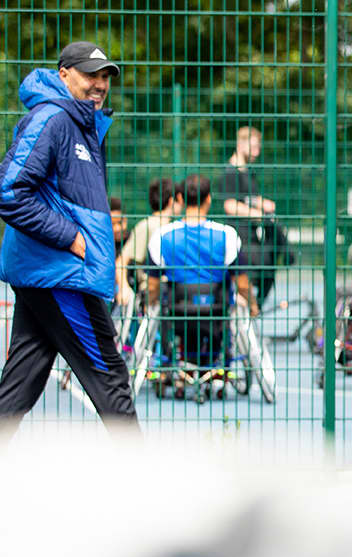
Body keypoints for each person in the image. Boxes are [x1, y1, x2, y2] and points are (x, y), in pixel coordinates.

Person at [0, 40, 137, 438]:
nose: (99, 84)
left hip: (49, 274)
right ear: (64, 74)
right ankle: (147, 484)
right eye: (90, 74)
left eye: (105, 76)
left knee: (18, 387)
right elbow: (8, 191)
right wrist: (71, 237)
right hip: (62, 274)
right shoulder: (52, 119)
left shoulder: (83, 124)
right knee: (111, 380)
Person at [145, 175, 257, 394]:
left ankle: (175, 369)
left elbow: (152, 286)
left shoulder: (162, 236)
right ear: (209, 199)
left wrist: (151, 302)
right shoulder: (226, 235)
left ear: (180, 197)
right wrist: (252, 305)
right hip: (215, 312)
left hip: (177, 313)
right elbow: (242, 283)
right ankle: (215, 368)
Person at [214, 126, 288, 304]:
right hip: (239, 235)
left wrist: (264, 203)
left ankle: (252, 309)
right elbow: (230, 205)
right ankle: (246, 309)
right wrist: (257, 214)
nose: (258, 151)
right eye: (254, 146)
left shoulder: (248, 171)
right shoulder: (230, 172)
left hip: (252, 234)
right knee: (252, 275)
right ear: (241, 145)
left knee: (267, 268)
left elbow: (249, 198)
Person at [116, 178, 184, 305]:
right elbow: (122, 260)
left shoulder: (174, 227)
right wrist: (123, 287)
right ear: (171, 201)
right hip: (154, 294)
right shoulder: (148, 226)